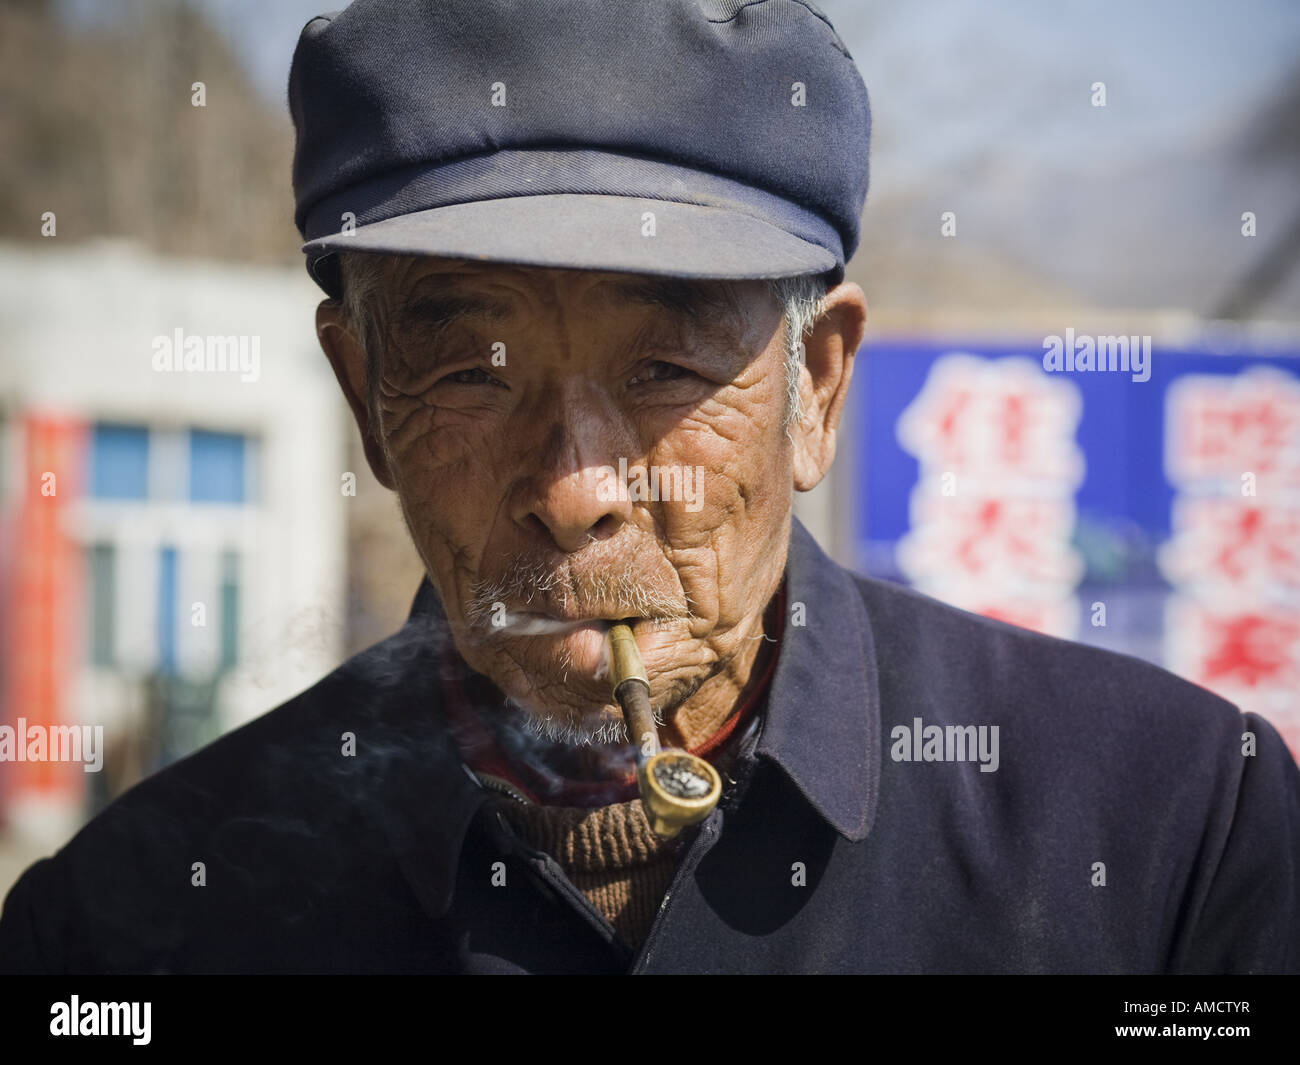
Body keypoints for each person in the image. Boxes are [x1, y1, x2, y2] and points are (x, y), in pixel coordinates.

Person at [2, 0, 1297, 974]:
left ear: (819, 389)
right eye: (469, 370)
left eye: (669, 365)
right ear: (365, 395)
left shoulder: (1173, 831)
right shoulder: (130, 927)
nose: (574, 492)